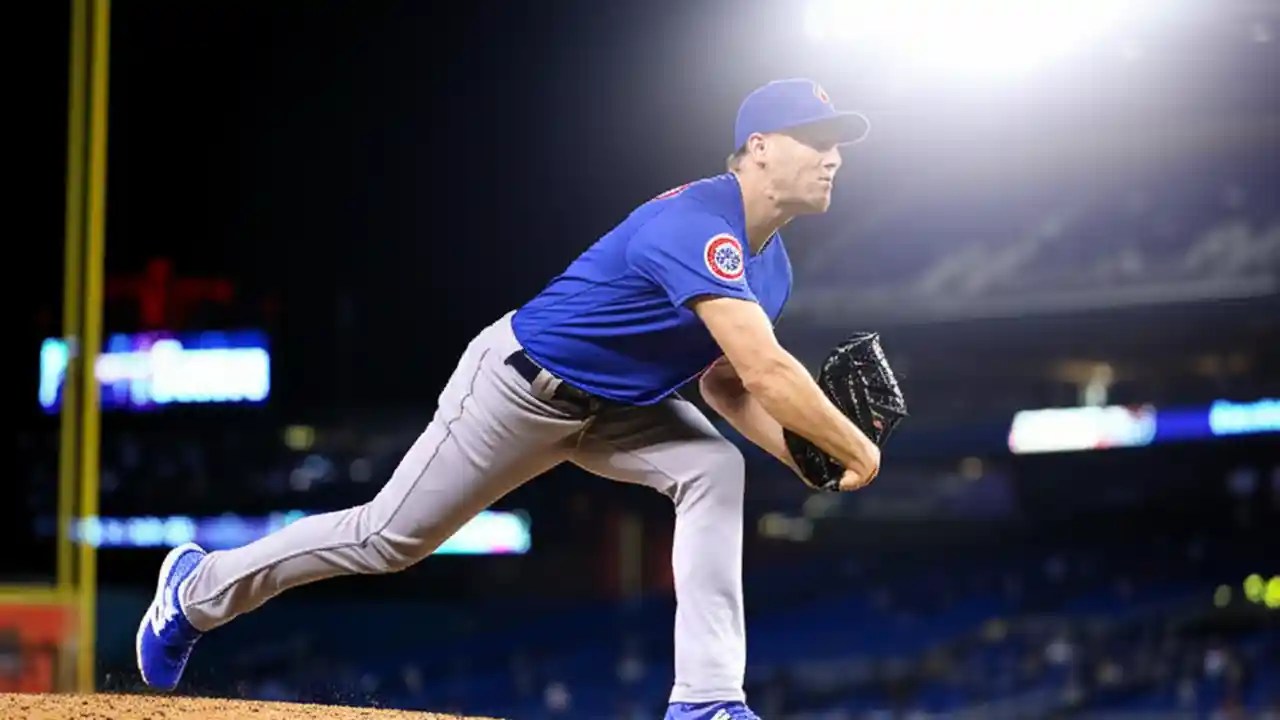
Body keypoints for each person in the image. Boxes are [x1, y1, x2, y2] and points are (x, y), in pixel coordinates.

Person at [137, 78, 883, 720]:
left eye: (837, 143)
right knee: (387, 539)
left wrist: (796, 453)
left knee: (714, 470)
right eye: (814, 139)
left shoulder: (772, 267)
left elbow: (722, 379)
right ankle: (196, 589)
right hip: (520, 387)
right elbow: (765, 372)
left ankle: (706, 698)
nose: (834, 157)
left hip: (619, 409)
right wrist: (858, 448)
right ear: (758, 147)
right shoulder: (696, 224)